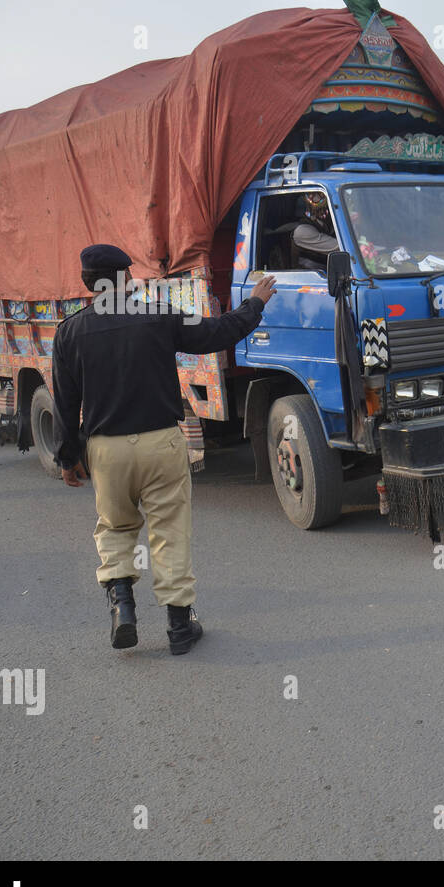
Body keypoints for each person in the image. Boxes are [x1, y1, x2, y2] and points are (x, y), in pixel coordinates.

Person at [52, 244, 278, 655]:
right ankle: (178, 627)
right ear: (125, 278)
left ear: (88, 282)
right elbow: (217, 333)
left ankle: (123, 609)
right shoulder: (157, 315)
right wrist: (254, 304)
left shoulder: (69, 332)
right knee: (169, 531)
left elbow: (66, 405)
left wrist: (69, 458)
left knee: (116, 527)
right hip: (160, 442)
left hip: (106, 450)